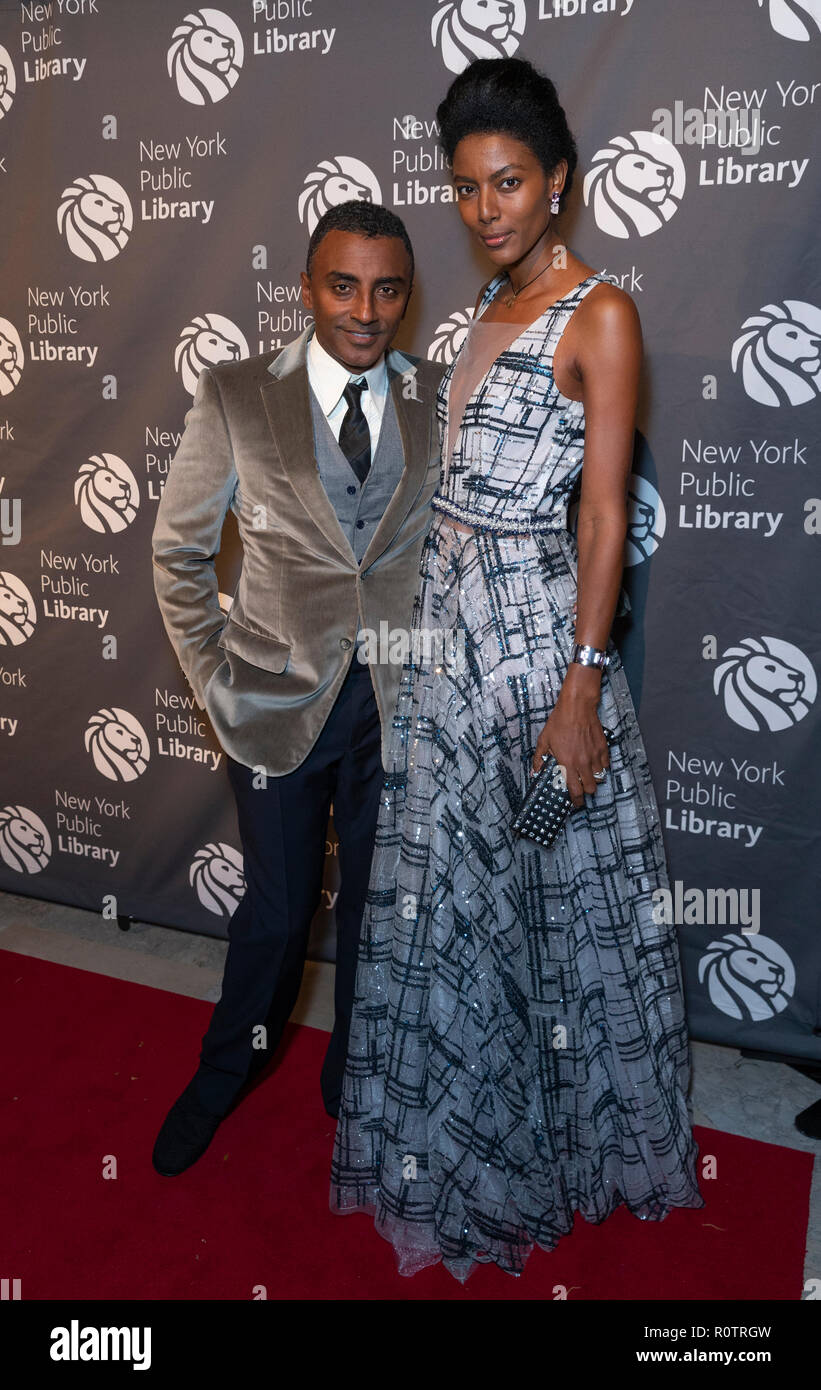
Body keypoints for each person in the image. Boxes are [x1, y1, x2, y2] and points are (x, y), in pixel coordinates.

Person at [330, 59, 705, 1281]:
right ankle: (468, 1152)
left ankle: (564, 1152)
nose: (485, 207)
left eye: (508, 182)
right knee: (456, 916)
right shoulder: (467, 314)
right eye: (465, 187)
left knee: (560, 918)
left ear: (558, 185)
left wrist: (582, 691)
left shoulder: (598, 312)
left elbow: (601, 517)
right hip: (448, 650)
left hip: (538, 650)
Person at [150, 201, 444, 1176]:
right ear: (305, 287)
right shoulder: (237, 394)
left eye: (386, 288)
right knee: (278, 917)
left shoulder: (436, 395)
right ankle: (223, 1073)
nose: (365, 310)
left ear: (405, 294)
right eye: (342, 284)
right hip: (273, 707)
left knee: (374, 907)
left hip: (394, 710)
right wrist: (214, 687)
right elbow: (179, 551)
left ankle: (354, 1079)